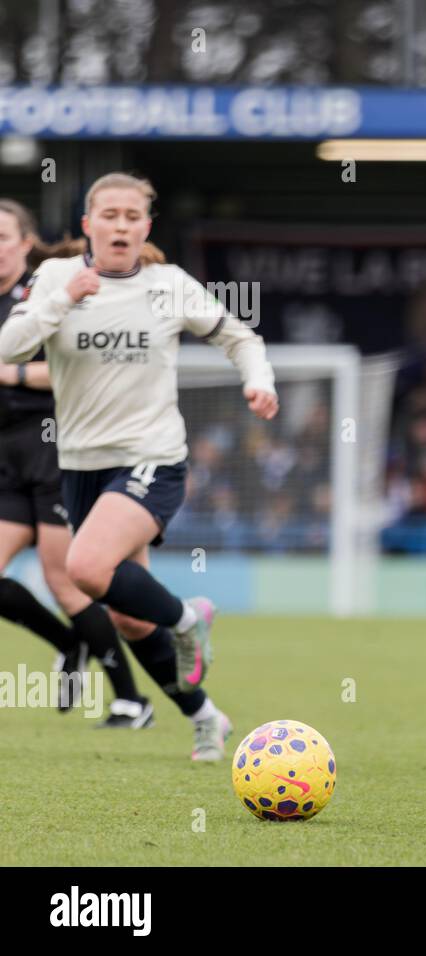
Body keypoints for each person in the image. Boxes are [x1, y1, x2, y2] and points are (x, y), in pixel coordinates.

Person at [0, 172, 279, 760]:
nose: (121, 225)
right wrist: (62, 299)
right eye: (110, 215)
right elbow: (9, 346)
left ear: (146, 226)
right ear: (87, 224)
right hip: (79, 466)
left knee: (84, 567)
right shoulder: (54, 278)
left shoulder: (168, 285)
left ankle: (186, 617)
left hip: (152, 456)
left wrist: (258, 380)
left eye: (133, 216)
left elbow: (239, 337)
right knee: (128, 619)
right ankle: (205, 716)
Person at [0, 198, 152, 723]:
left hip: (53, 446)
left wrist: (12, 373)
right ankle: (69, 642)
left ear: (25, 242)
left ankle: (133, 700)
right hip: (4, 457)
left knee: (66, 578)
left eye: (3, 237)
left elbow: (80, 364)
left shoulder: (44, 293)